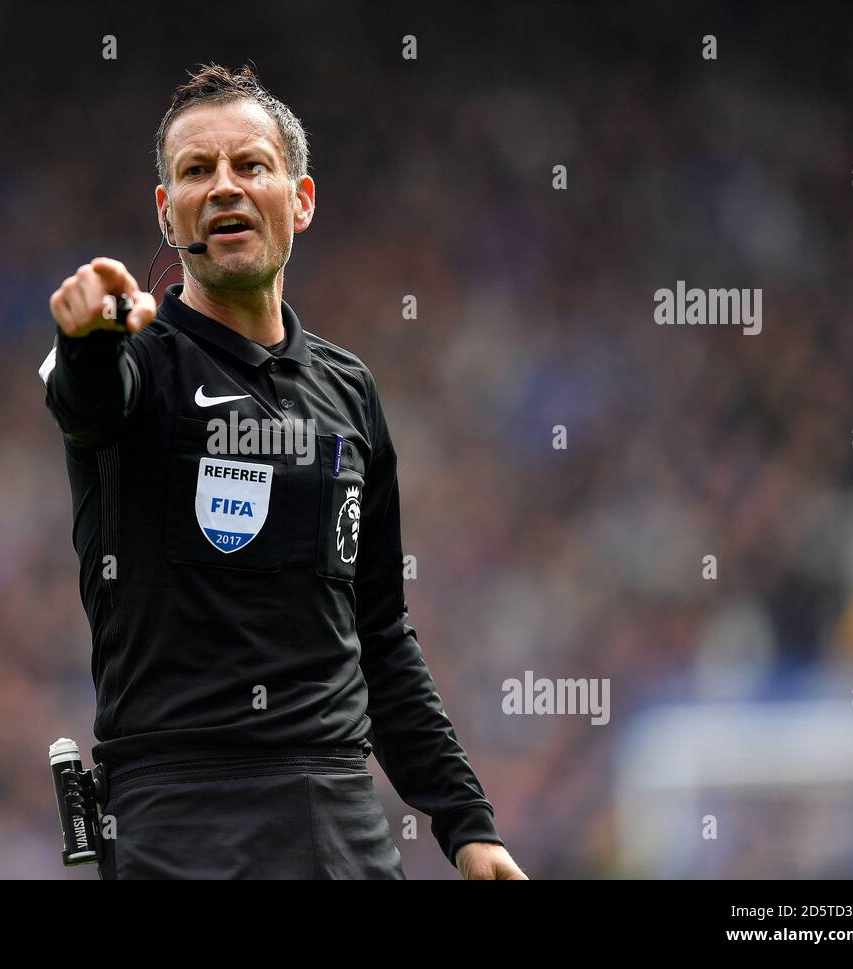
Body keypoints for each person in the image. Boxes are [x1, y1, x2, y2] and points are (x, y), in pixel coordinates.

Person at [42, 63, 525, 880]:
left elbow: (379, 631)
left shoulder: (349, 389)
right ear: (169, 213)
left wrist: (467, 823)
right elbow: (86, 403)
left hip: (341, 818)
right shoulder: (133, 362)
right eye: (197, 171)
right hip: (180, 824)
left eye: (250, 165)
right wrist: (88, 337)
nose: (224, 186)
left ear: (299, 198)